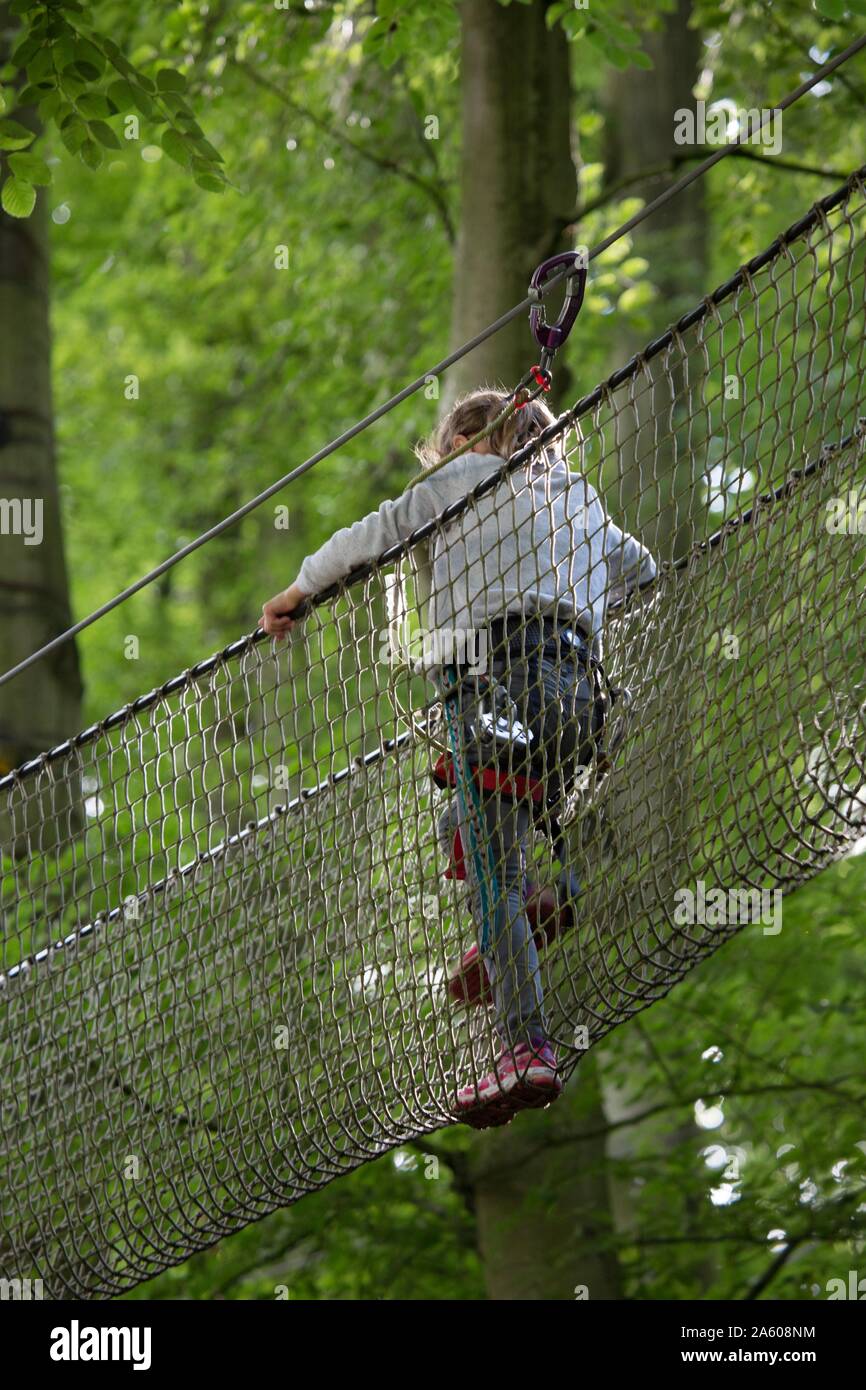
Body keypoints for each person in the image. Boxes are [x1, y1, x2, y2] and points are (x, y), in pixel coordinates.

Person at [261, 387, 657, 1128]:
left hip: (496, 683)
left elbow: (372, 536)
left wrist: (297, 591)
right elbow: (644, 569)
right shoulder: (584, 501)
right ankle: (555, 888)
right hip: (580, 700)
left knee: (491, 869)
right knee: (481, 820)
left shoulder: (461, 480)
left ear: (469, 441)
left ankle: (525, 1043)